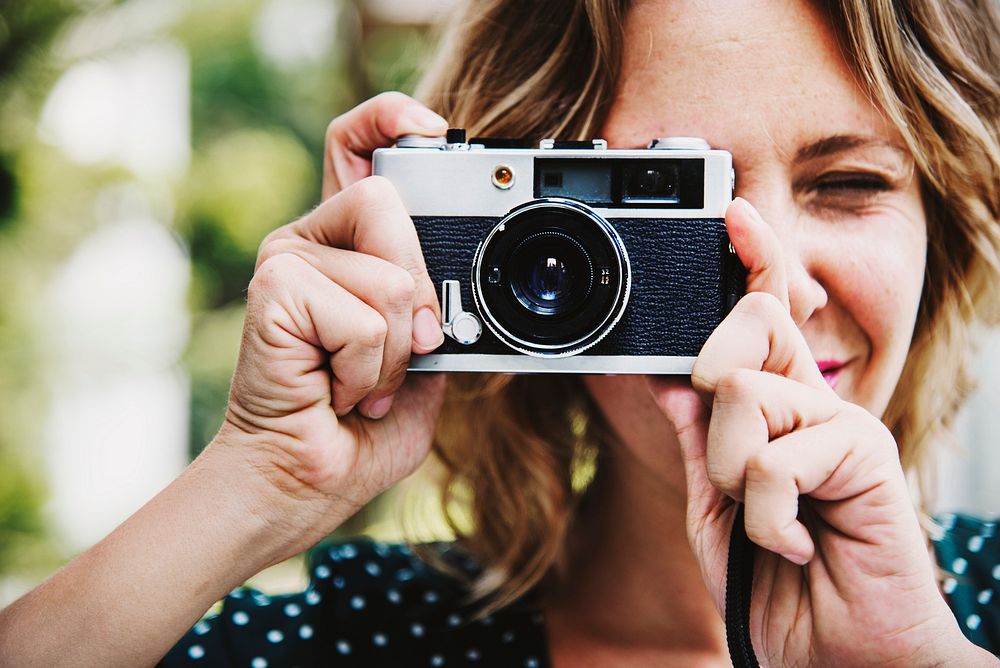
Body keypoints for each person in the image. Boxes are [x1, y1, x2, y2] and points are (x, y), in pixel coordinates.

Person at [2, 0, 999, 665]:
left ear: (942, 231)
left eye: (850, 183)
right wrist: (259, 477)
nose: (772, 284)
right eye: (683, 198)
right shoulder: (367, 639)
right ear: (512, 245)